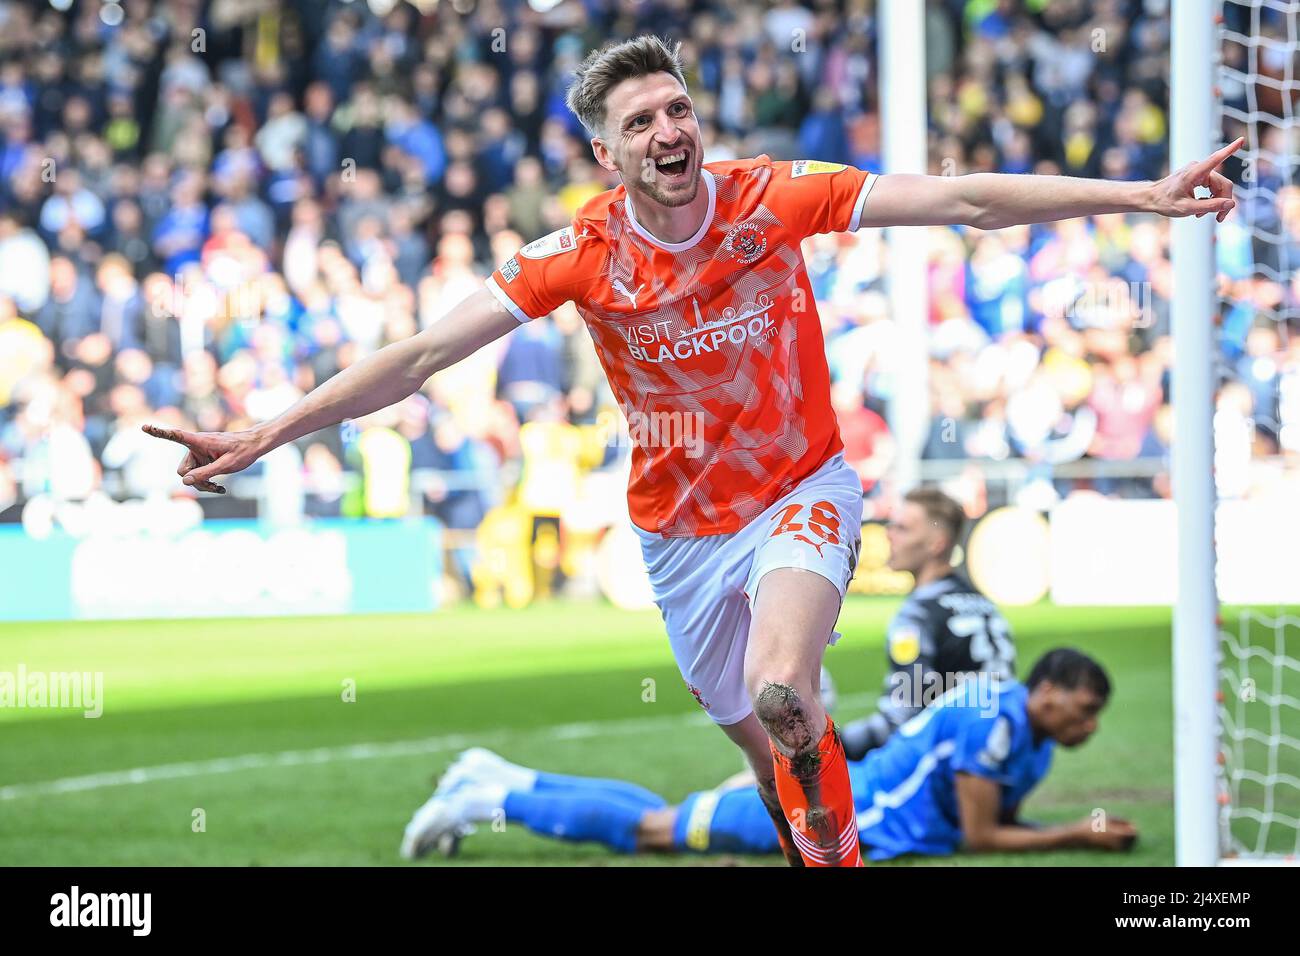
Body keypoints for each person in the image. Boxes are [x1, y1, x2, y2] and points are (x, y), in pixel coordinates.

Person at [143, 36, 1239, 867]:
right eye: (640, 121)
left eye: (677, 107)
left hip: (801, 488)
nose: (669, 130)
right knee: (775, 772)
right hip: (678, 536)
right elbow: (423, 353)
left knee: (785, 692)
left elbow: (956, 198)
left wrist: (1135, 193)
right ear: (605, 152)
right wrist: (263, 429)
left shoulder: (773, 198)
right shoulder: (576, 254)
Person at [401, 648, 1137, 862]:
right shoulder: (998, 729)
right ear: (1048, 692)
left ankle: (499, 776)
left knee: (664, 822)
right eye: (1084, 709)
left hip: (857, 805)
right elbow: (979, 836)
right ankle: (486, 799)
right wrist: (1080, 836)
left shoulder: (1009, 718)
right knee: (657, 832)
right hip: (837, 815)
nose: (1090, 726)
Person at [841, 487, 1015, 760]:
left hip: (949, 761)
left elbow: (902, 717)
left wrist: (831, 746)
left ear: (937, 544)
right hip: (1001, 748)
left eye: (903, 528)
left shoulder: (917, 615)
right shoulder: (986, 605)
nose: (889, 533)